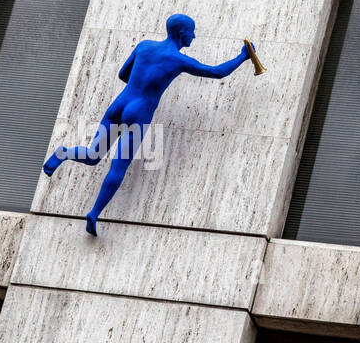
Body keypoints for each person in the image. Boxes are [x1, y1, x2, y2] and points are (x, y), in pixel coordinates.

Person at [43, 13, 255, 235]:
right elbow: (217, 72)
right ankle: (94, 213)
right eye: (193, 31)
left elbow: (123, 73)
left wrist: (140, 83)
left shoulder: (144, 46)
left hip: (120, 103)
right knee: (118, 167)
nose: (194, 35)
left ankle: (64, 153)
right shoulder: (179, 60)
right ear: (183, 34)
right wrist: (243, 57)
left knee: (94, 154)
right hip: (140, 111)